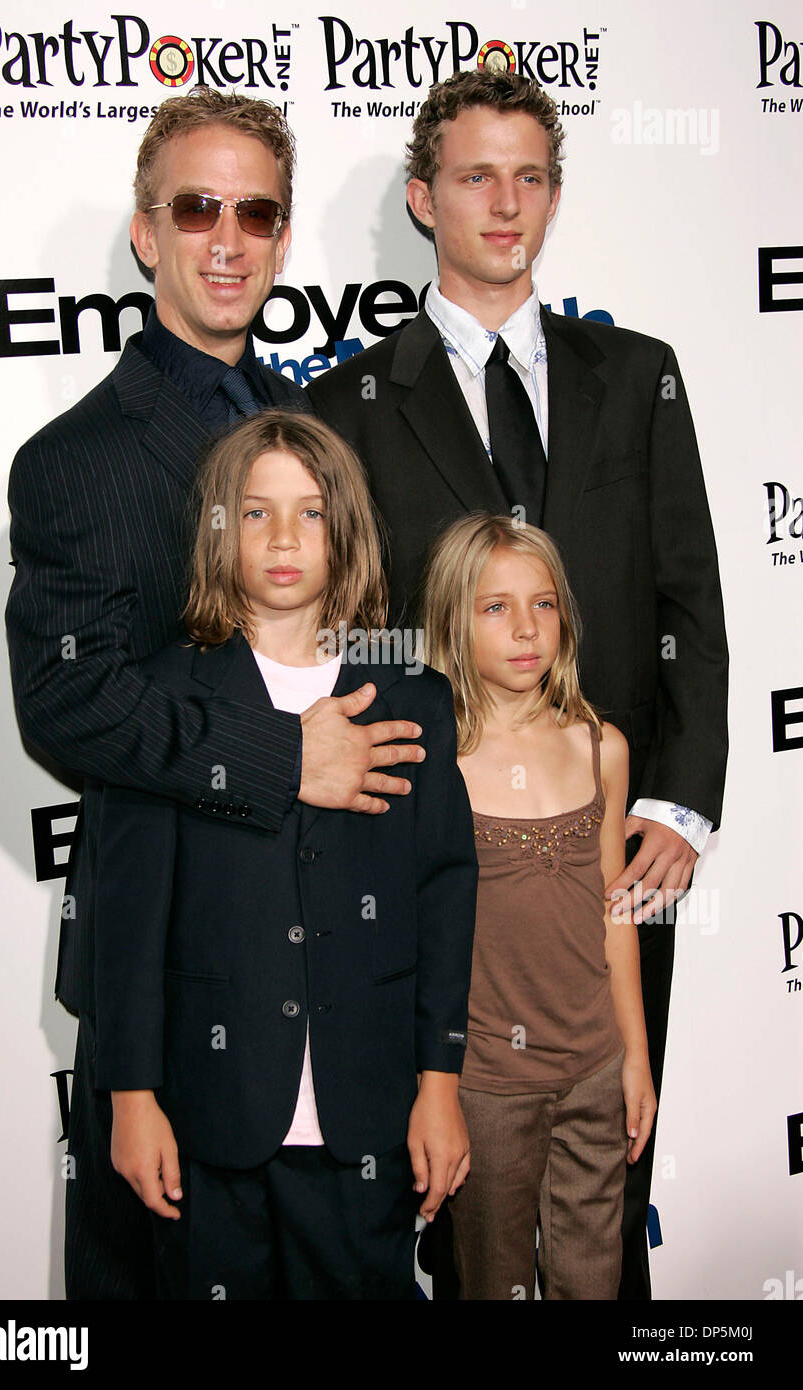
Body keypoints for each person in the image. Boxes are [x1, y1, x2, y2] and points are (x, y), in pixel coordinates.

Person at [308, 67, 728, 1298]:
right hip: (447, 868)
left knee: (611, 1185)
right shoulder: (350, 404)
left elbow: (687, 603)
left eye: (528, 177)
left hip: (618, 840)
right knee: (468, 1213)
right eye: (476, 176)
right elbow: (354, 636)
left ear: (553, 200)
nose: (504, 202)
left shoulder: (637, 375)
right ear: (422, 197)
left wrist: (680, 801)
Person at [5, 88, 424, 1301]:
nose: (227, 238)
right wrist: (287, 757)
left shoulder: (317, 437)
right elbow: (68, 708)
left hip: (339, 999)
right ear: (147, 233)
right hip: (179, 988)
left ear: (285, 239)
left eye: (256, 211)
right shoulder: (80, 460)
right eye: (197, 208)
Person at [92, 409, 478, 1299]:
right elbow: (130, 919)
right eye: (255, 513)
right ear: (218, 531)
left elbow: (443, 900)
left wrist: (440, 1083)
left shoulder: (413, 699)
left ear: (346, 533)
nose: (283, 539)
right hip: (209, 1117)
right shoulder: (164, 695)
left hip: (367, 1119)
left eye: (310, 514)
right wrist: (131, 1096)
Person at [421, 514, 655, 1299]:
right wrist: (437, 1088)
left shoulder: (601, 745)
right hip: (486, 1085)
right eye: (495, 607)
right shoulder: (434, 762)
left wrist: (634, 1055)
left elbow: (614, 914)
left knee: (595, 1282)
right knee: (491, 1283)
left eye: (544, 604)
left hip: (595, 1071)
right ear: (453, 618)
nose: (526, 628)